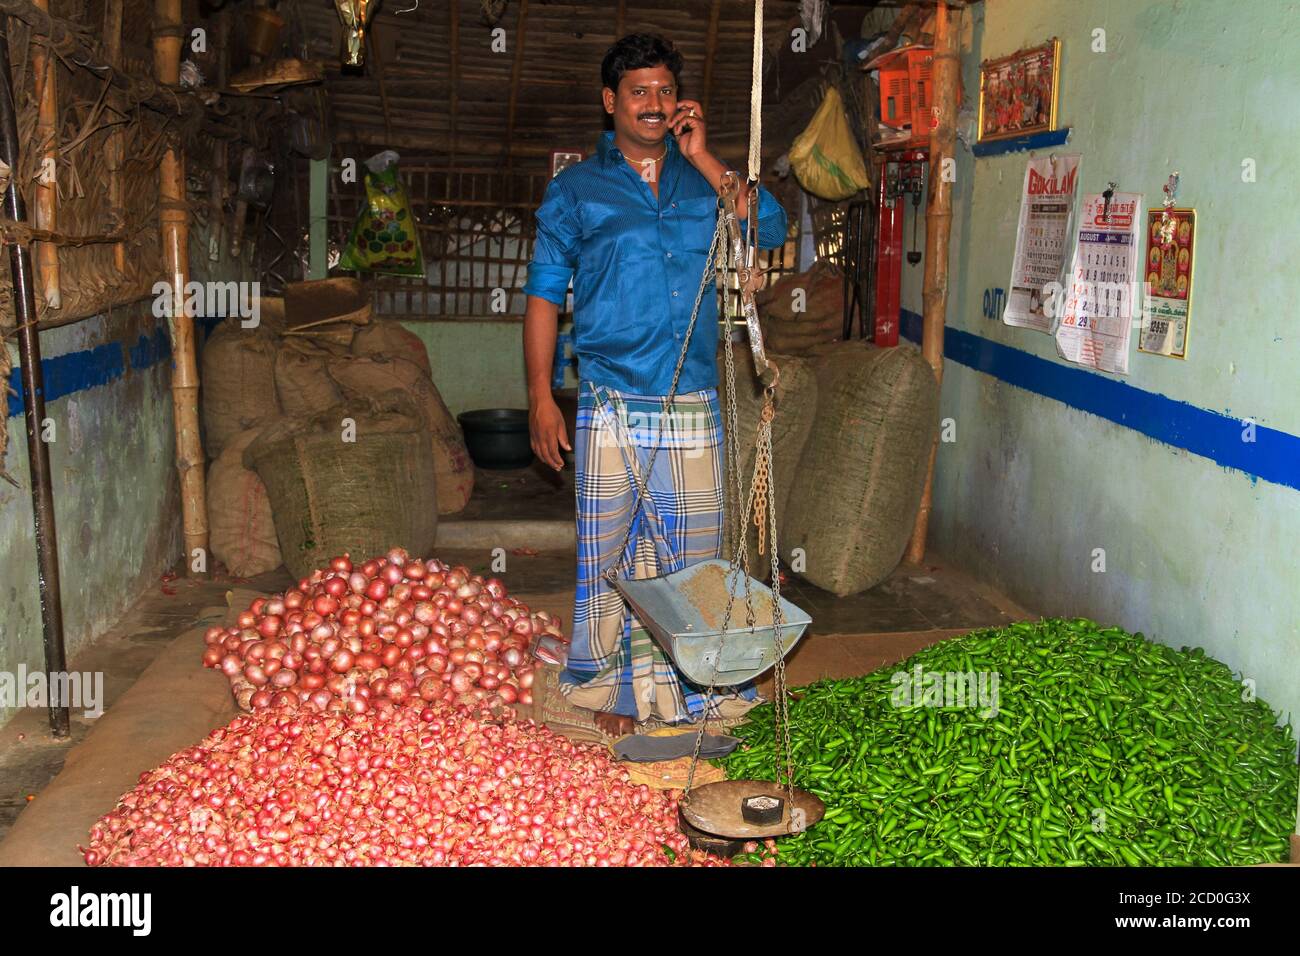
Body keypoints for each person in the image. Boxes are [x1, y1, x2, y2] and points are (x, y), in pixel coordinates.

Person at [522, 33, 789, 737]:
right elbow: (545, 297)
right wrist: (541, 397)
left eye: (666, 91)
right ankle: (602, 680)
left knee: (695, 556)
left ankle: (700, 685)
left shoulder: (702, 180)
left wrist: (701, 155)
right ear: (611, 102)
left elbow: (769, 222)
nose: (654, 104)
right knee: (604, 551)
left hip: (694, 399)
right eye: (638, 91)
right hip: (610, 397)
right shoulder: (576, 190)